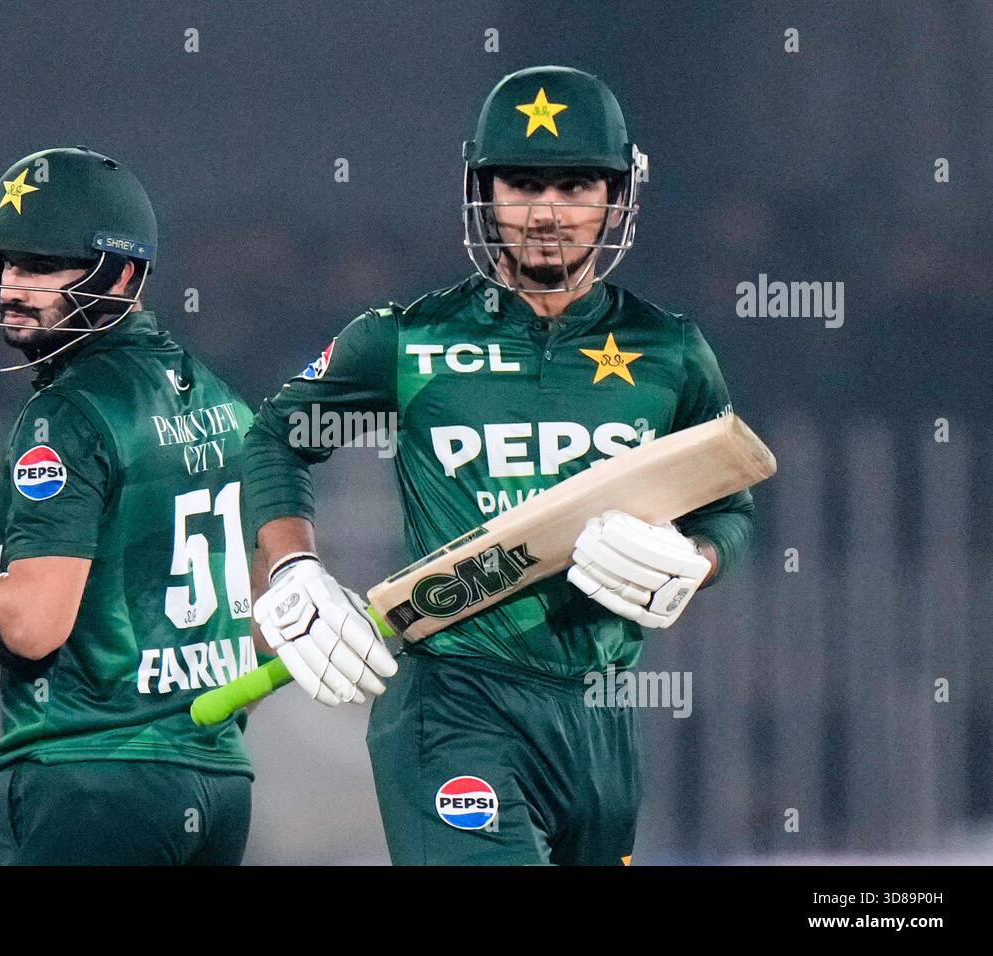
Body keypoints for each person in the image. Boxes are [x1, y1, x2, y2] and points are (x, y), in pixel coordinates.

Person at [242, 67, 756, 865]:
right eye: (523, 183)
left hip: (602, 712)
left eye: (576, 184)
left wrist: (699, 559)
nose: (547, 214)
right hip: (453, 702)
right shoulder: (406, 341)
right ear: (483, 193)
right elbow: (274, 437)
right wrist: (292, 571)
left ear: (618, 195)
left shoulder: (672, 350)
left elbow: (732, 504)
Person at [0, 146, 257, 865]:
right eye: (6, 262)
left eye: (40, 266)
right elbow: (261, 627)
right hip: (216, 781)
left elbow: (32, 624)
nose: (9, 286)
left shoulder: (64, 417)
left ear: (122, 273)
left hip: (89, 784)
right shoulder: (222, 401)